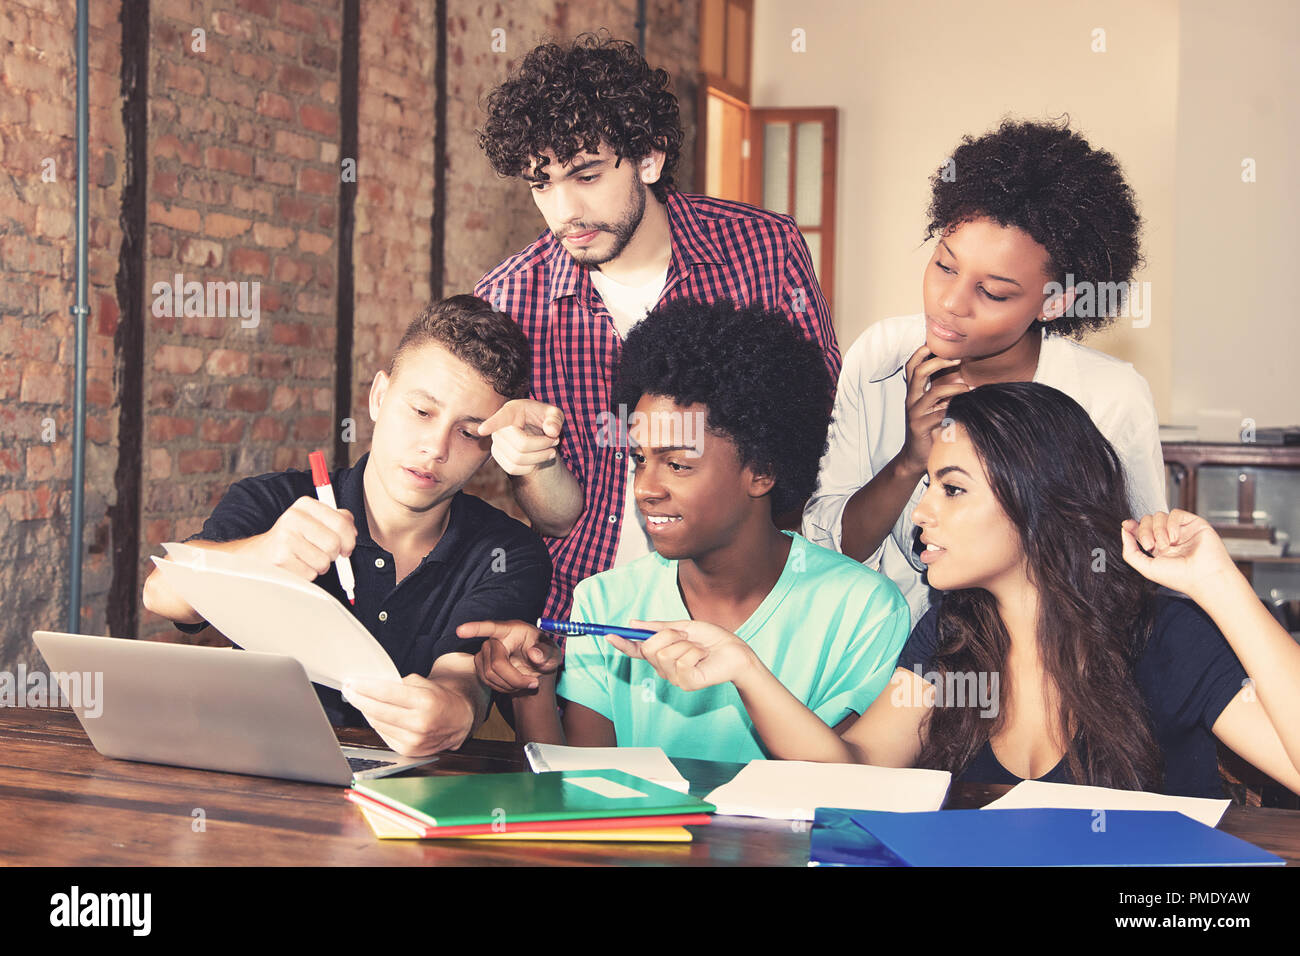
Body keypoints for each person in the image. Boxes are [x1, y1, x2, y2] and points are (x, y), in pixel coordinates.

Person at [616, 383, 1300, 798]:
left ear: (1036, 500)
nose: (921, 513)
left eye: (952, 489)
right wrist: (743, 667)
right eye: (928, 487)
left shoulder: (1163, 638)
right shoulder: (951, 634)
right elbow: (854, 768)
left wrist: (1218, 583)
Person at [474, 33, 840, 619]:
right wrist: (533, 461)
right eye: (542, 184)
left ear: (649, 158)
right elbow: (556, 519)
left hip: (752, 610)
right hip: (586, 618)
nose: (563, 211)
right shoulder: (510, 300)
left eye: (586, 176)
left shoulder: (763, 249)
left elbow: (817, 433)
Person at [458, 299, 908, 763]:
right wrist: (531, 682)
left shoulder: (862, 611)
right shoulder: (605, 603)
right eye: (639, 460)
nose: (645, 488)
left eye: (677, 464)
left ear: (763, 471)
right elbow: (581, 790)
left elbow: (844, 787)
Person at [141, 295, 553, 756]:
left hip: (413, 801)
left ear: (492, 444)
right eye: (421, 412)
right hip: (260, 776)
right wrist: (264, 554)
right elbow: (162, 594)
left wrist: (455, 708)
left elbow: (462, 673)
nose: (435, 448)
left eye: (468, 432)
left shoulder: (508, 551)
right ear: (379, 396)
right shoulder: (275, 500)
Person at [804, 119, 1166, 624]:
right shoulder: (880, 356)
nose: (949, 303)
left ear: (1056, 301)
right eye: (945, 266)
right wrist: (912, 459)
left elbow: (1133, 571)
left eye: (993, 292)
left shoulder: (1108, 396)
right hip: (888, 664)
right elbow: (826, 552)